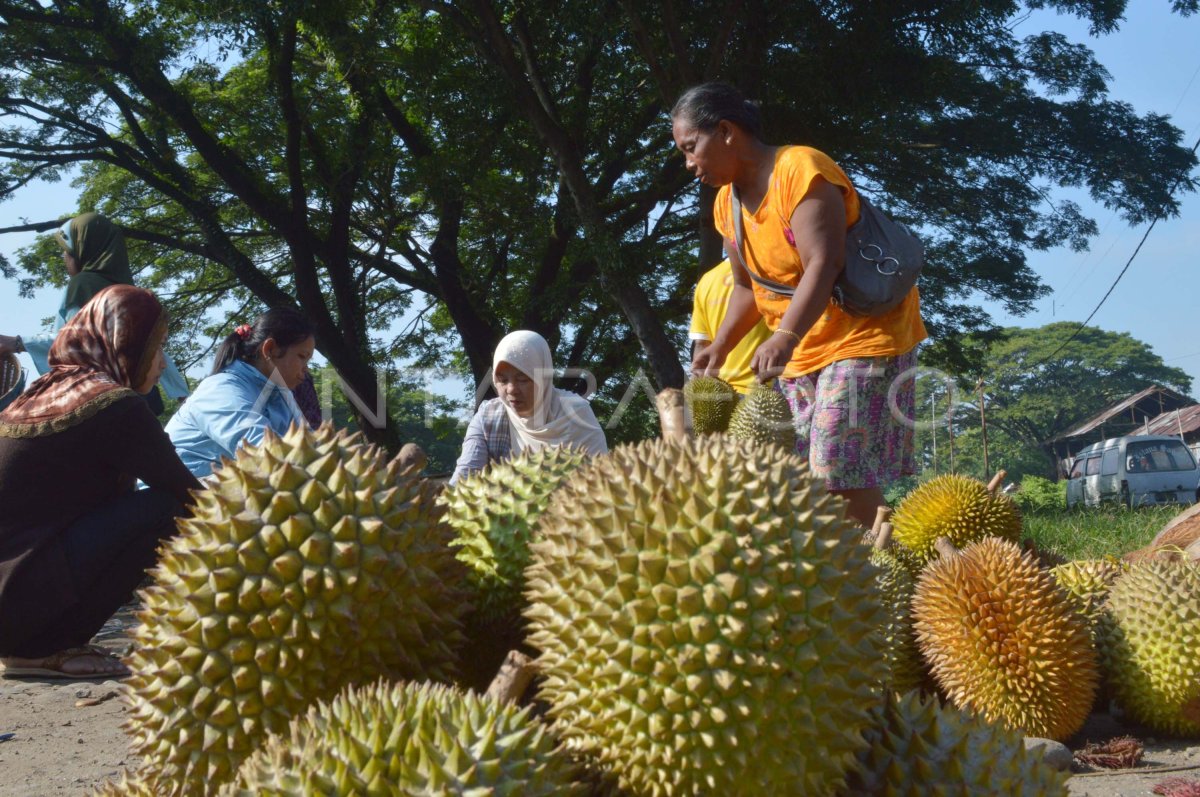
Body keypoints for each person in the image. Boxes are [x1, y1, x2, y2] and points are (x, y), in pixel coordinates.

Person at [672, 83, 927, 527]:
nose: (689, 164)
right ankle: (853, 563)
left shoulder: (801, 169)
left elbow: (823, 261)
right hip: (803, 351)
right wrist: (722, 344)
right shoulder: (725, 206)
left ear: (727, 131)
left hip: (861, 336)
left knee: (834, 464)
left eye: (692, 148)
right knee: (799, 472)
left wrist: (784, 335)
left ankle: (873, 563)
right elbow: (748, 288)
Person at [0, 285, 200, 679]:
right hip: (15, 607)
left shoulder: (39, 393)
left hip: (12, 598)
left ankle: (30, 645)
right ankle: (44, 648)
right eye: (155, 347)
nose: (161, 364)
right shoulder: (112, 403)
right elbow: (191, 495)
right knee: (167, 509)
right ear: (124, 344)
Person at [0, 213, 189, 412]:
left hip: (96, 397)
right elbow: (152, 345)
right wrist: (181, 393)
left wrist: (17, 343)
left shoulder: (83, 283)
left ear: (83, 250)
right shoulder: (130, 293)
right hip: (137, 398)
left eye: (66, 251)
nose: (64, 258)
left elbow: (77, 340)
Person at [166, 308, 315, 478]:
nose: (306, 369)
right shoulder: (221, 390)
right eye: (302, 357)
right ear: (270, 349)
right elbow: (265, 453)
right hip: (175, 497)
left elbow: (310, 447)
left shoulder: (280, 394)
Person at [450, 330, 608, 484]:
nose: (511, 389)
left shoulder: (575, 413)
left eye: (523, 379)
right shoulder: (488, 417)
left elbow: (600, 484)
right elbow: (466, 474)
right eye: (503, 380)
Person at [689, 258, 772, 395]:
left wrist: (697, 391)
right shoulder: (772, 268)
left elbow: (702, 344)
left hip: (719, 393)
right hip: (768, 387)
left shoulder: (707, 280)